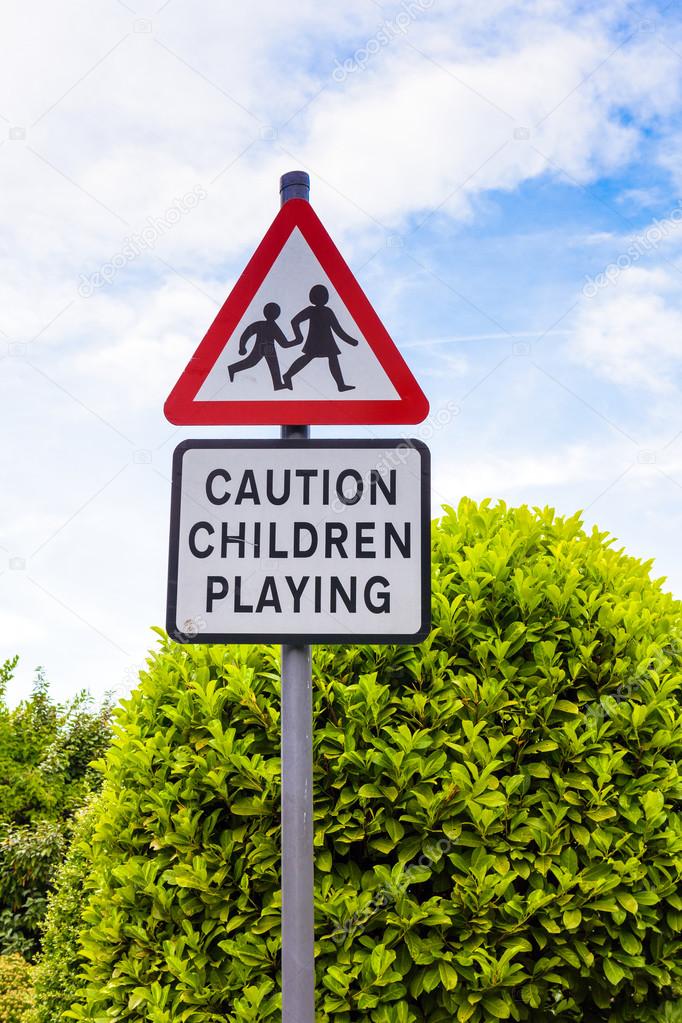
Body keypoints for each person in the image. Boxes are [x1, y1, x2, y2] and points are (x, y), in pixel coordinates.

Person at [282, 284, 358, 391]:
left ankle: (340, 385)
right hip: (316, 341)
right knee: (311, 358)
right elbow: (295, 321)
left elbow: (337, 329)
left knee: (330, 358)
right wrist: (299, 337)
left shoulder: (327, 311)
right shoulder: (312, 310)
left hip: (326, 341)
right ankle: (288, 375)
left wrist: (351, 341)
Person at [228, 302, 294, 391]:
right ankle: (232, 368)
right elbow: (284, 344)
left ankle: (277, 383)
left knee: (270, 364)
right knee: (253, 362)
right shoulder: (271, 326)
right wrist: (297, 340)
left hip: (267, 348)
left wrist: (242, 347)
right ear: (277, 315)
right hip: (265, 347)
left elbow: (246, 333)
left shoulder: (262, 324)